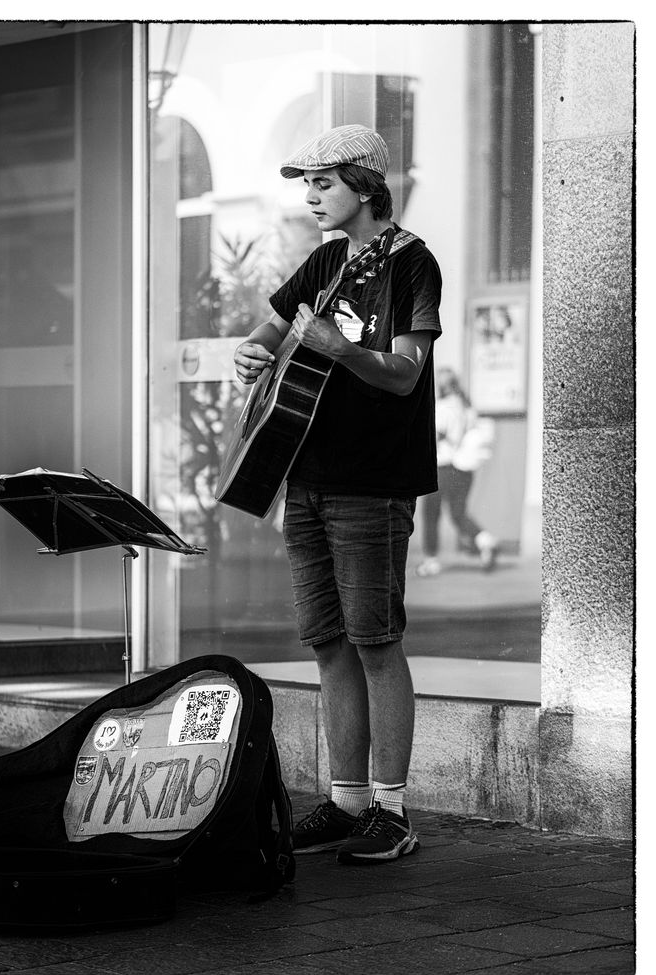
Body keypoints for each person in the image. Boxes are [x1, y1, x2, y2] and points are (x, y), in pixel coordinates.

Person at [232, 124, 442, 865]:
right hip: (308, 477)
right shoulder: (325, 259)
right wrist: (254, 351)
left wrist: (344, 351)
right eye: (307, 184)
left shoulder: (413, 263)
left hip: (375, 483)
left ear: (365, 185)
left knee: (376, 642)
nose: (312, 196)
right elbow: (272, 325)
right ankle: (349, 801)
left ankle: (394, 810)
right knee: (327, 643)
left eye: (323, 183)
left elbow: (407, 372)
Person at [415, 367, 498, 577]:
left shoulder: (441, 408)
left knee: (431, 514)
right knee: (457, 513)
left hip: (441, 466)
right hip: (461, 468)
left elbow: (434, 437)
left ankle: (431, 560)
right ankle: (484, 540)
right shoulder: (465, 406)